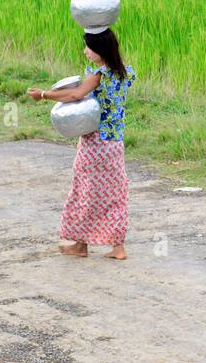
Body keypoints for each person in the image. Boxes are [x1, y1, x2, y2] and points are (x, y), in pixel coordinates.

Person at [29, 29, 135, 261]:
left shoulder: (99, 75)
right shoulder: (124, 72)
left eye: (89, 47)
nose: (85, 51)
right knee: (114, 194)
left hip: (95, 143)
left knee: (84, 193)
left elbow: (76, 95)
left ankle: (80, 245)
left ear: (101, 50)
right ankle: (118, 247)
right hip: (115, 142)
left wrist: (45, 94)